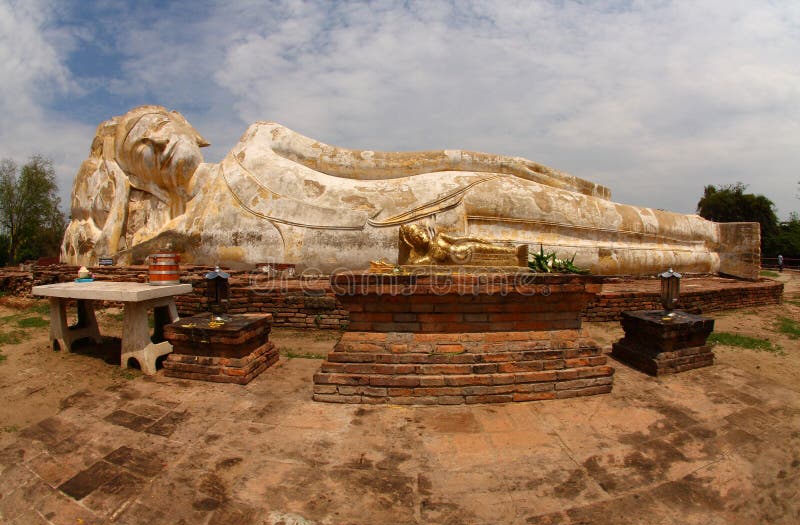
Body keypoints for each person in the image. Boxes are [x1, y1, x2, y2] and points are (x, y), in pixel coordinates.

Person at [61, 105, 761, 279]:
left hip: (414, 196)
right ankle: (701, 259)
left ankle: (703, 230)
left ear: (188, 126)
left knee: (543, 207)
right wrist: (105, 199)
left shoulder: (258, 140)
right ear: (144, 177)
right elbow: (96, 256)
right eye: (143, 156)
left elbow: (369, 162)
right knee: (541, 252)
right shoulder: (178, 238)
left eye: (157, 130)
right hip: (396, 251)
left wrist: (503, 163)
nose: (158, 149)